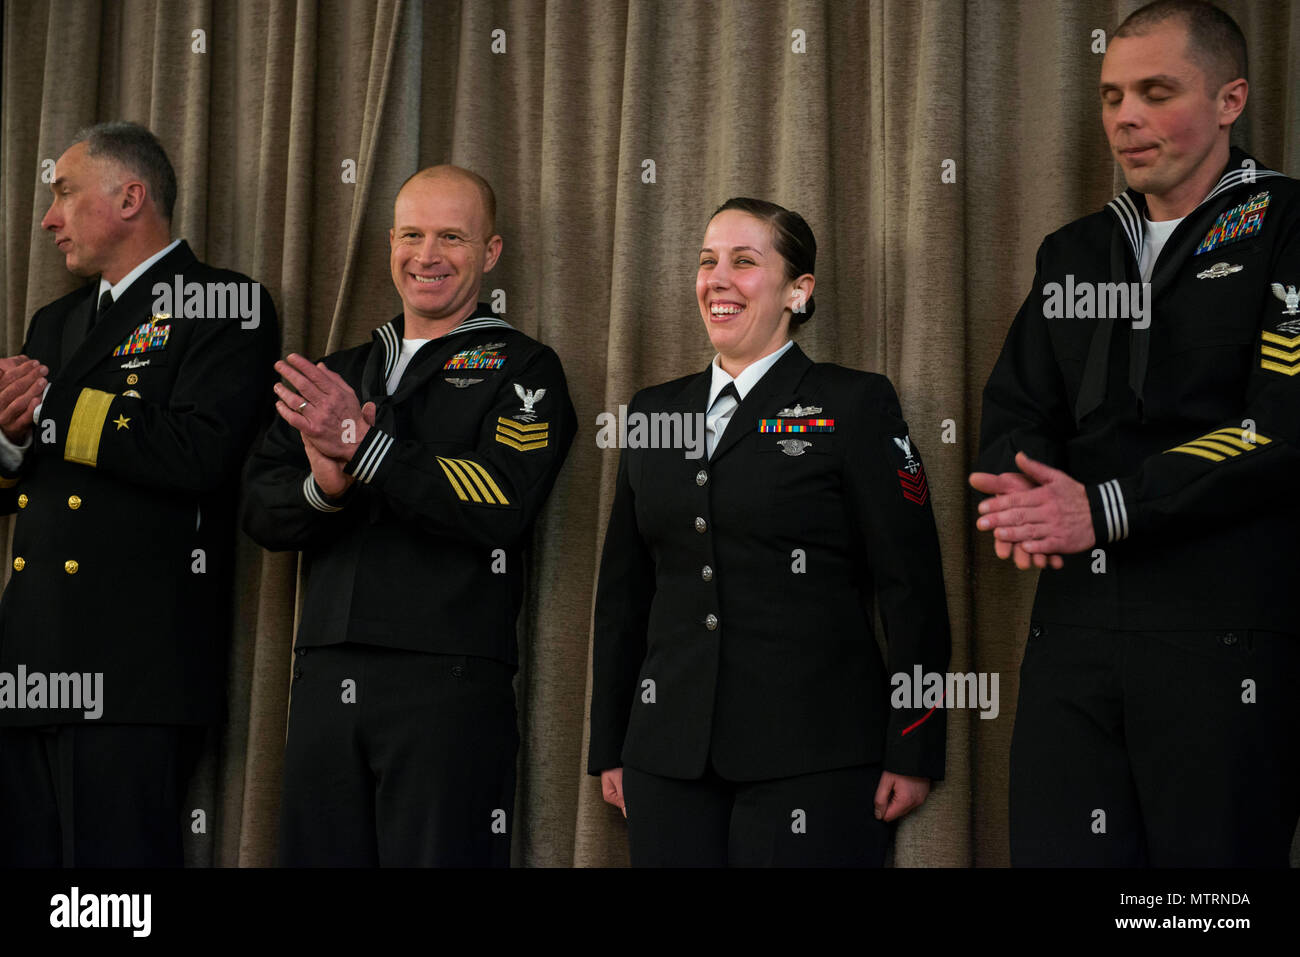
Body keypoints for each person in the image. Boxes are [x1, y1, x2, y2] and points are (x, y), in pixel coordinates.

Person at [971, 0, 1300, 866]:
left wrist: (1106, 508)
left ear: (1230, 100)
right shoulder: (1073, 250)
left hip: (1224, 640)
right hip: (1072, 637)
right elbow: (1016, 409)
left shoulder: (1288, 226)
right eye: (1113, 94)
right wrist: (1021, 494)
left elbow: (1280, 429)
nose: (1126, 117)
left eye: (1157, 92)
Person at [587, 197, 950, 867]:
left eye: (745, 262)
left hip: (816, 756)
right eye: (707, 261)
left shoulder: (855, 403)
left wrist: (915, 743)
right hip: (667, 758)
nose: (717, 279)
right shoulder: (652, 411)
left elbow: (912, 588)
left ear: (799, 290)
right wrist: (612, 744)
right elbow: (623, 595)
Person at [242, 165, 575, 867]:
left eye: (451, 236)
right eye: (413, 234)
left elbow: (499, 501)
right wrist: (326, 486)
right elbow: (260, 504)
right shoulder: (336, 372)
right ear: (389, 242)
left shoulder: (526, 370)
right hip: (324, 674)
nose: (427, 255)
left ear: (490, 252)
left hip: (446, 684)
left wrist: (366, 449)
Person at [0, 121, 280, 866]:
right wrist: (8, 436)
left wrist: (53, 406)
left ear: (130, 197)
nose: (49, 217)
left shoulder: (224, 304)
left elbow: (199, 452)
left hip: (131, 664)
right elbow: (23, 483)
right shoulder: (54, 321)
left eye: (63, 192)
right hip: (30, 654)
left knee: (113, 895)